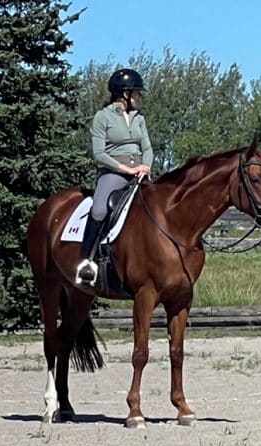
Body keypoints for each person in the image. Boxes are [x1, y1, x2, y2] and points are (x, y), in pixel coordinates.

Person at [75, 68, 153, 286]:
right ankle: (87, 262)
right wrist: (126, 170)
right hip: (113, 173)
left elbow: (147, 147)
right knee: (99, 209)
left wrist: (145, 166)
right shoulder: (103, 117)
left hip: (140, 172)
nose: (140, 97)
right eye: (137, 92)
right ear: (125, 94)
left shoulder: (139, 119)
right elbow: (99, 153)